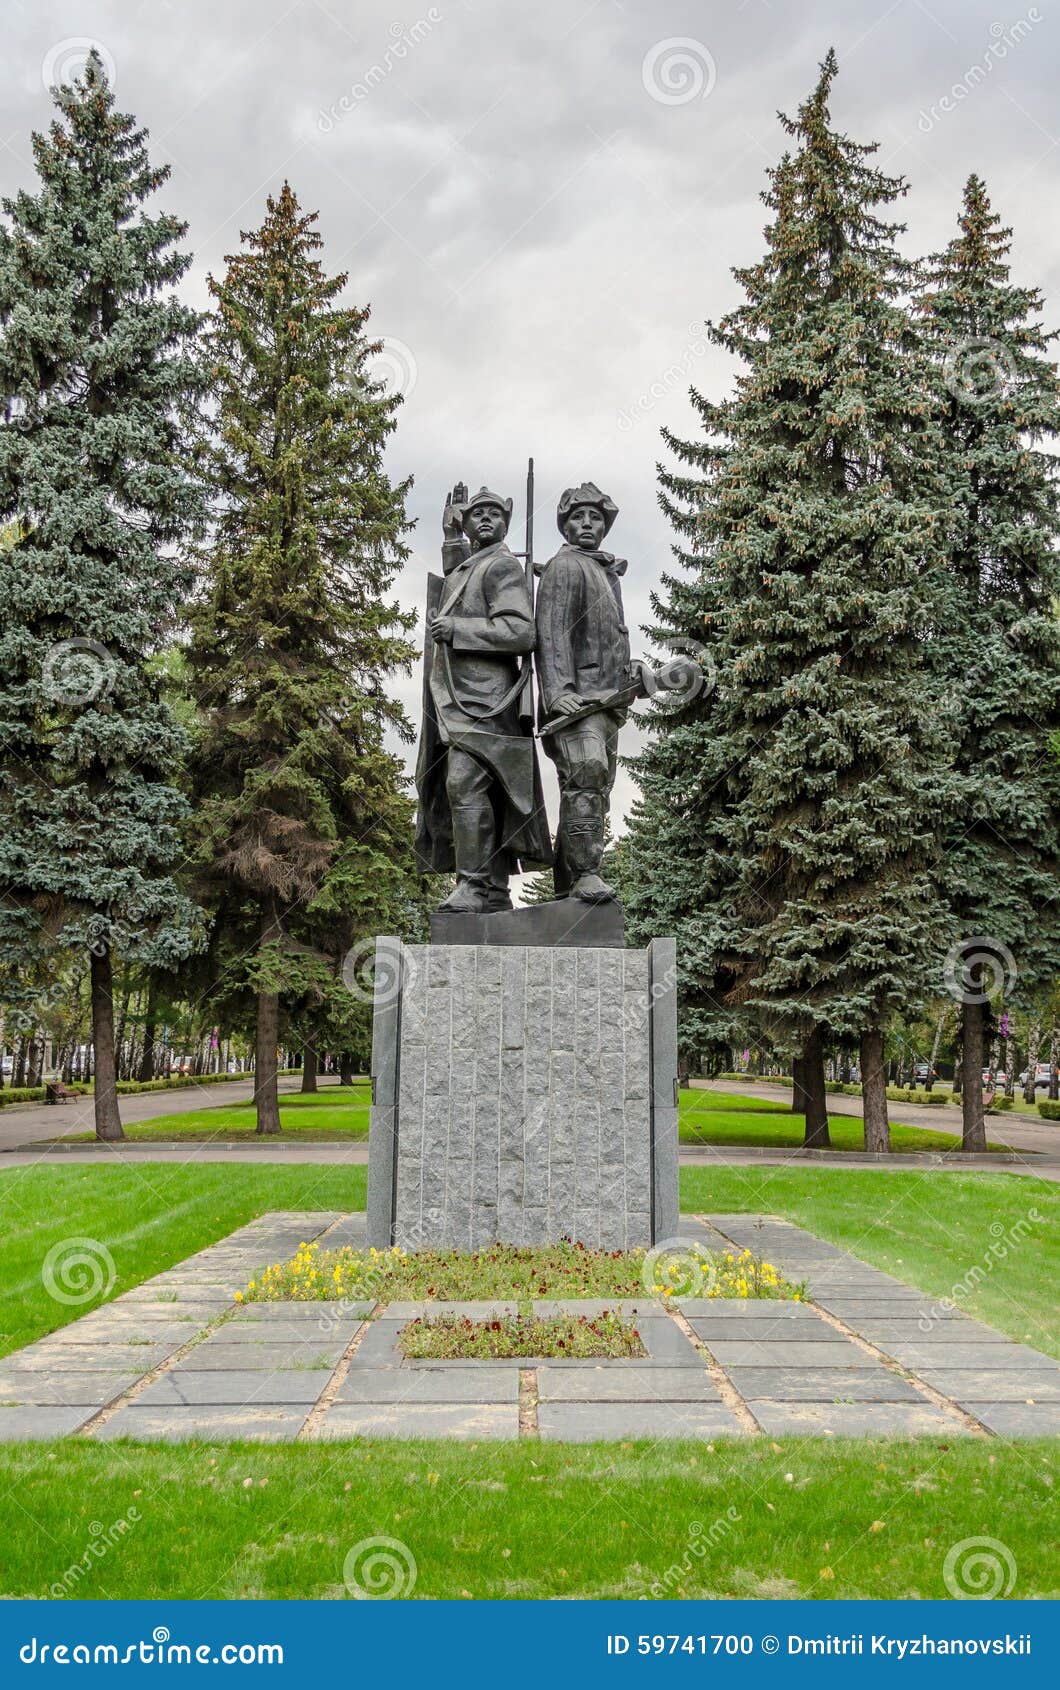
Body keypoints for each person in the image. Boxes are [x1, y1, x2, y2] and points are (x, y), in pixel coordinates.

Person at [414, 484, 551, 913]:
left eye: (494, 513)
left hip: (487, 701)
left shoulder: (501, 566)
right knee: (478, 791)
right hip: (456, 700)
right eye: (477, 514)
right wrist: (450, 536)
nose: (485, 519)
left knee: (464, 782)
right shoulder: (472, 566)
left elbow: (521, 632)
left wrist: (459, 631)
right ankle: (492, 891)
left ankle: (473, 885)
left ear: (507, 522)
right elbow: (456, 577)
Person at [534, 482, 655, 902]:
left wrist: (631, 669)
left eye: (596, 518)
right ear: (564, 524)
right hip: (575, 703)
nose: (587, 524)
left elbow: (606, 640)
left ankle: (570, 890)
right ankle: (585, 875)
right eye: (578, 517)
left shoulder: (606, 573)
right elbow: (551, 632)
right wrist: (557, 691)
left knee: (594, 790)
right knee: (587, 774)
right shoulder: (565, 566)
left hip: (607, 702)